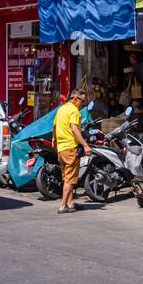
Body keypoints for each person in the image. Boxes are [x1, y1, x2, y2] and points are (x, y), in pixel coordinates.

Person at [53, 86, 91, 214]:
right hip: (70, 148)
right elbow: (74, 129)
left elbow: (54, 126)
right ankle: (63, 205)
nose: (82, 104)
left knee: (66, 177)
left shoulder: (61, 109)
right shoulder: (74, 111)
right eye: (82, 101)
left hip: (61, 149)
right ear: (75, 99)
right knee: (70, 179)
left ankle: (70, 203)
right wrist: (85, 145)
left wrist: (55, 141)